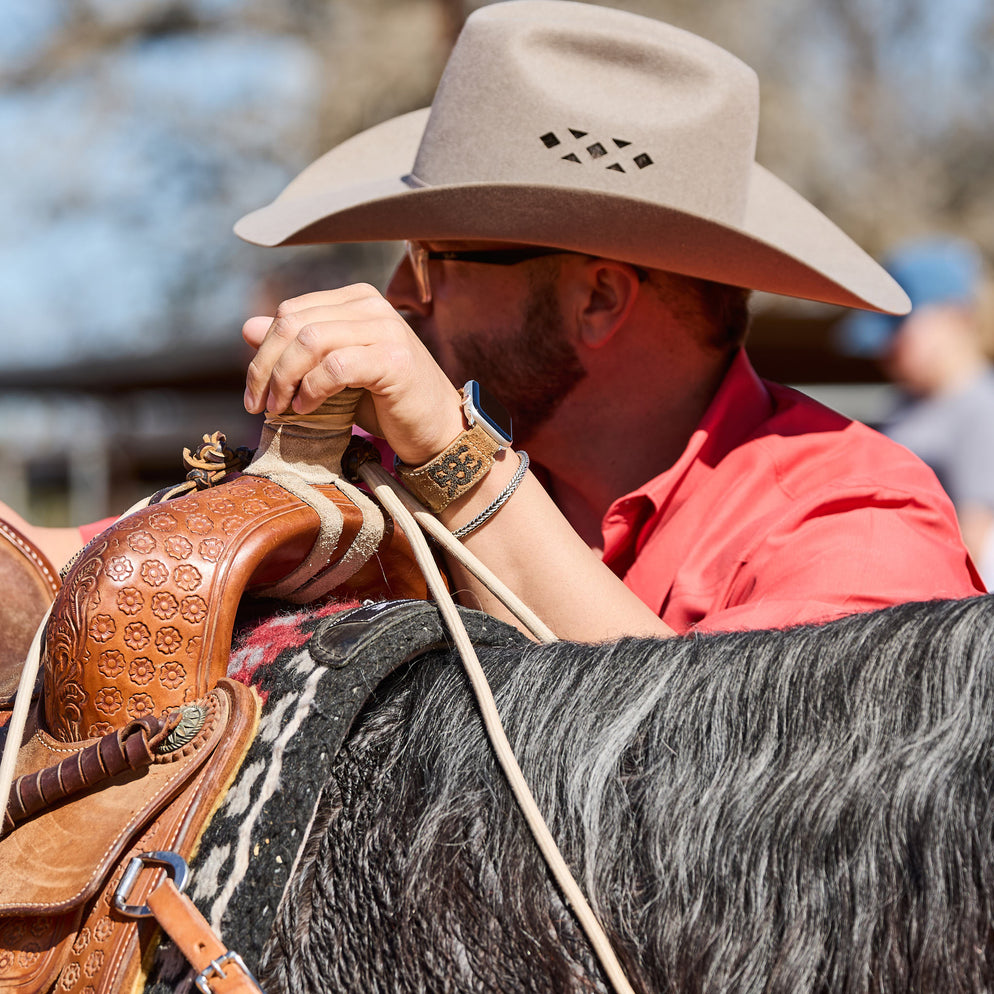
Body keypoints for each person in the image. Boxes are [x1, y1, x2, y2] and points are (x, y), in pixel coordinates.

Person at [6, 1, 983, 640]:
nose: (397, 292)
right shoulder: (395, 491)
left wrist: (454, 456)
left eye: (435, 257)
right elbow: (73, 564)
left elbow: (730, 803)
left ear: (598, 298)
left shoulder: (854, 523)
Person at [837, 236, 994, 582]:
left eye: (899, 328)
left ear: (955, 316)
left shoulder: (981, 412)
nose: (885, 350)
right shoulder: (906, 405)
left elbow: (974, 546)